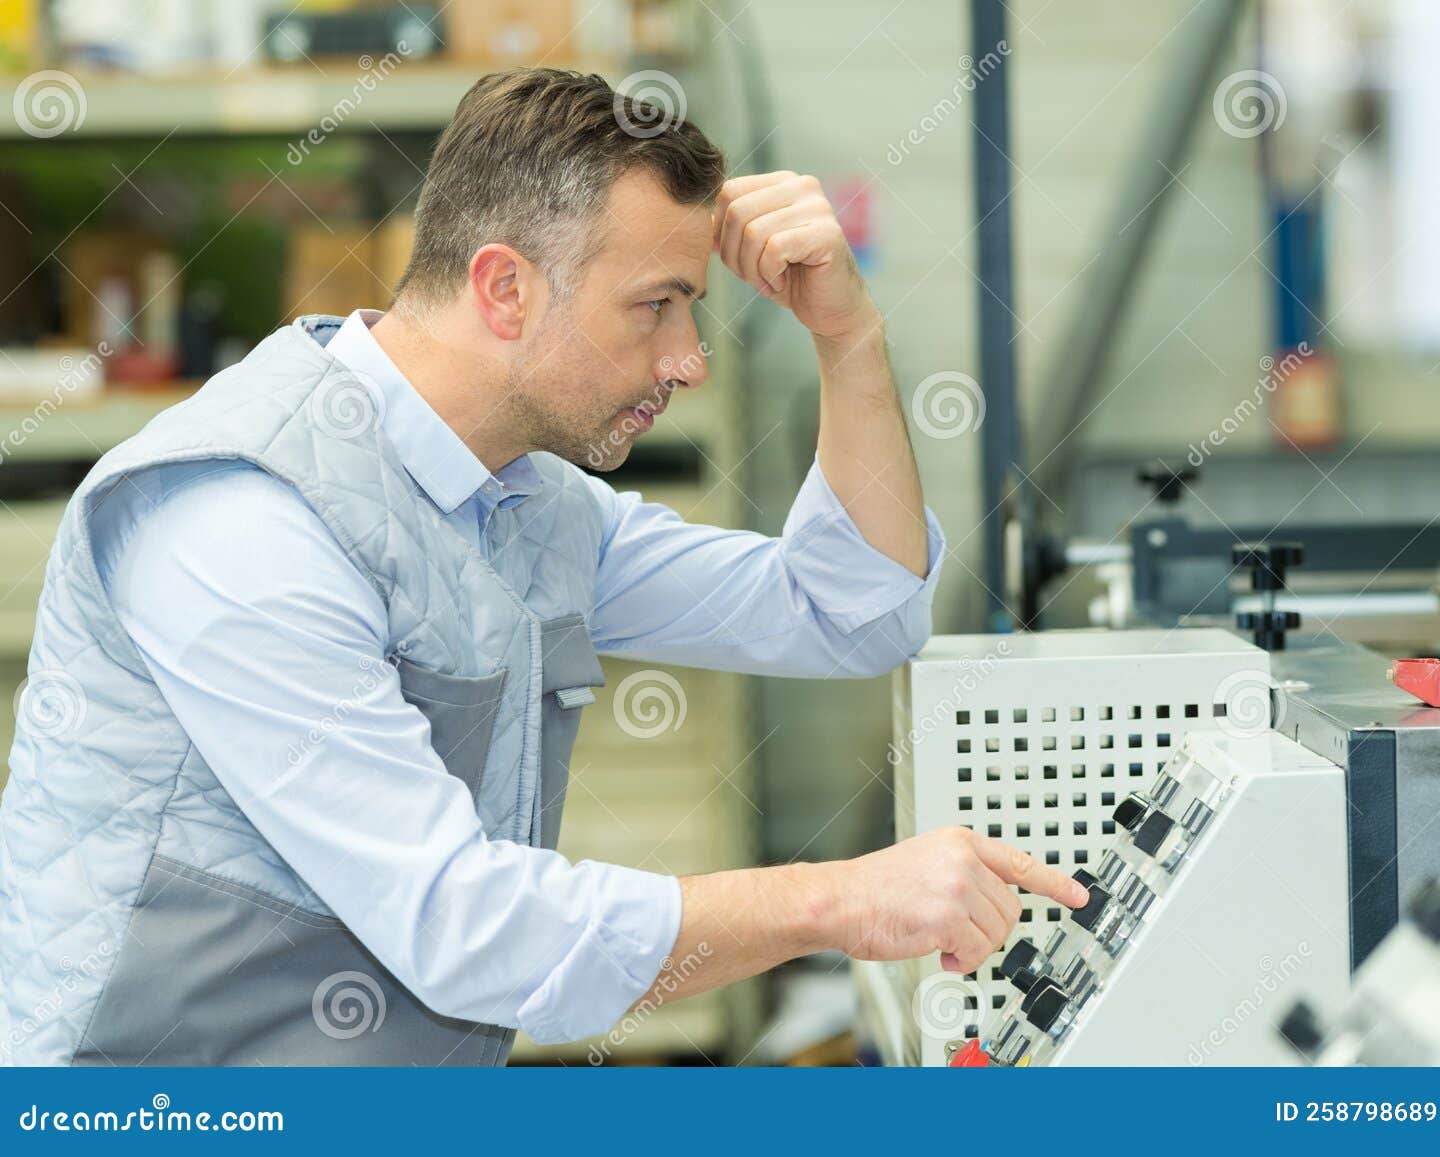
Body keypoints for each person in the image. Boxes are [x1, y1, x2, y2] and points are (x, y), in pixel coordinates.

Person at [0, 68, 1085, 1065]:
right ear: (506, 288)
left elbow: (851, 613)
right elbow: (458, 921)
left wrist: (848, 339)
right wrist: (836, 901)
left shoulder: (523, 502)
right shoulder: (243, 519)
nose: (687, 360)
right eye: (655, 305)